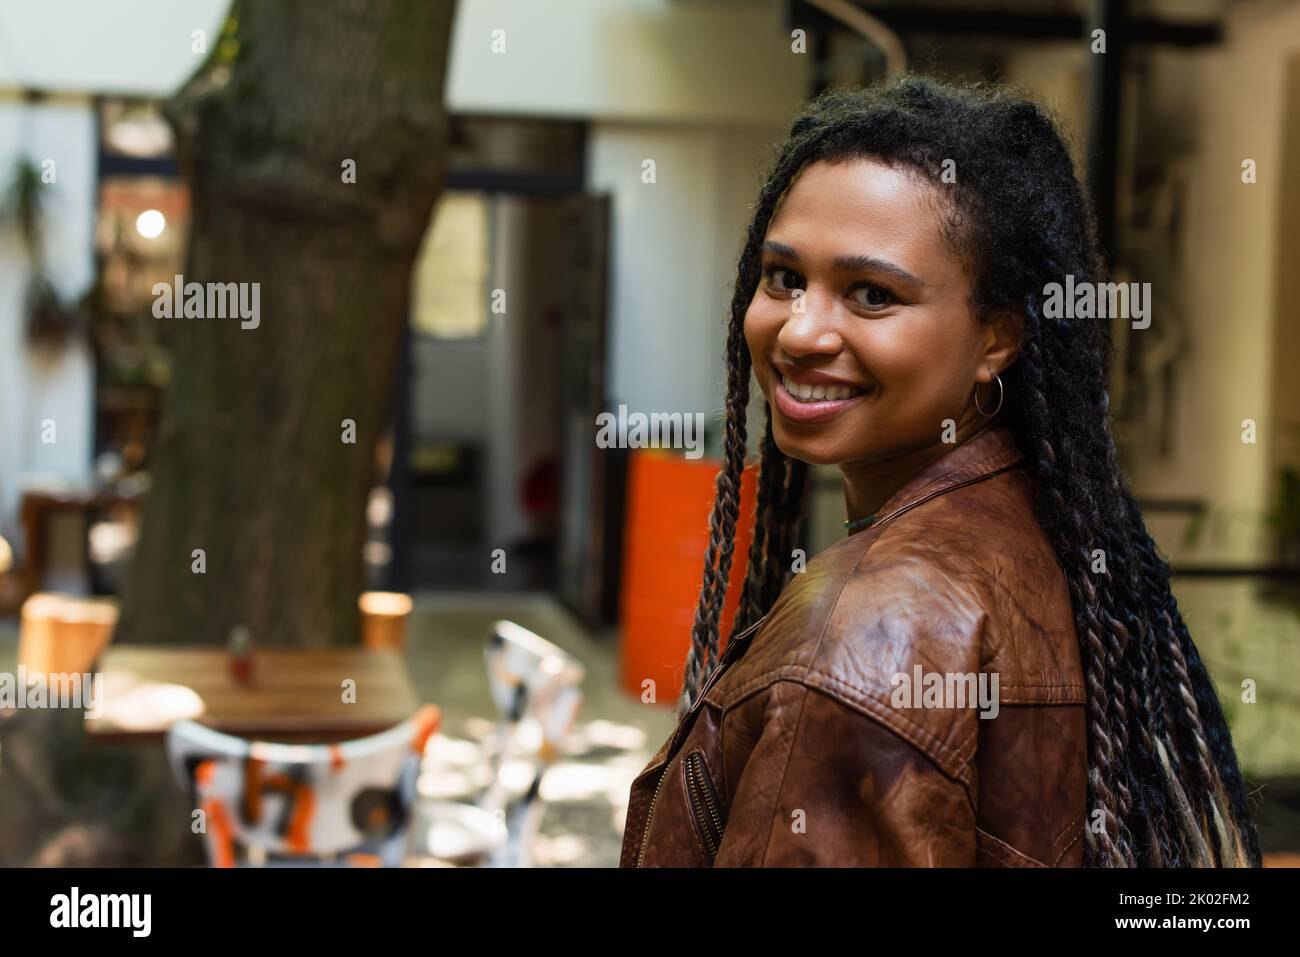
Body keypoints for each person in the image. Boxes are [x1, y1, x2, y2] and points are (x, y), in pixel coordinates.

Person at [620, 75, 1259, 868]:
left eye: (871, 293)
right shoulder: (1034, 526)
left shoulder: (865, 638)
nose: (801, 331)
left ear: (997, 338)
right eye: (784, 277)